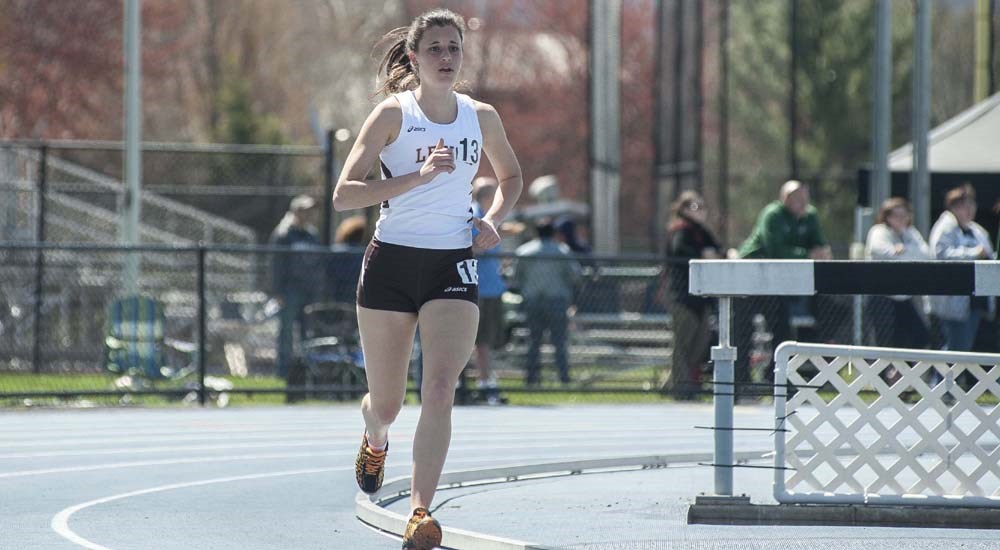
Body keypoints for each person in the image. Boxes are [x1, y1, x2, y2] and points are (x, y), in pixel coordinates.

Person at [333, 10, 522, 549]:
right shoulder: (393, 115)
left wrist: (493, 219)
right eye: (435, 49)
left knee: (440, 386)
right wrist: (418, 176)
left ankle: (419, 512)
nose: (445, 58)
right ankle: (375, 435)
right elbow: (345, 193)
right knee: (388, 403)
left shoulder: (480, 117)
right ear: (414, 58)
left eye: (454, 49)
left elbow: (510, 175)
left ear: (463, 57)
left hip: (451, 263)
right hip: (391, 262)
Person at [734, 180, 831, 396]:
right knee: (743, 331)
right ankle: (740, 381)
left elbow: (819, 244)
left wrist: (821, 251)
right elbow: (774, 249)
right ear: (784, 198)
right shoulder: (773, 214)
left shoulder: (810, 215)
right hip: (751, 277)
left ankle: (775, 378)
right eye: (795, 199)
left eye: (804, 199)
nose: (801, 204)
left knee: (782, 330)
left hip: (777, 283)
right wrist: (807, 254)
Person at [664, 191, 720, 399]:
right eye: (695, 208)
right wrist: (703, 256)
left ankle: (689, 384)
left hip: (702, 299)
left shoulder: (702, 231)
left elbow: (716, 250)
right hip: (683, 298)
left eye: (702, 207)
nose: (701, 212)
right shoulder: (681, 230)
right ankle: (680, 389)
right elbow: (682, 252)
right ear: (684, 210)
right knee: (683, 345)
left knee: (700, 343)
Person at [514, 219, 581, 387]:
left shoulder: (524, 251)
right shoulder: (562, 251)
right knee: (559, 341)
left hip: (532, 301)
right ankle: (564, 378)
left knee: (533, 341)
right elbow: (575, 275)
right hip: (557, 300)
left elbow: (516, 276)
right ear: (552, 233)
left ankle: (531, 378)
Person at [928, 184, 994, 352]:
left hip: (977, 299)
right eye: (963, 205)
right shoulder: (945, 228)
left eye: (972, 204)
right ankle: (940, 378)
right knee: (956, 348)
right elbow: (942, 254)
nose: (969, 210)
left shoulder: (978, 231)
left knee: (969, 348)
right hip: (954, 302)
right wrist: (973, 253)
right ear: (952, 207)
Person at [864, 197, 932, 353]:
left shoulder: (910, 232)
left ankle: (902, 374)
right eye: (896, 215)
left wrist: (904, 248)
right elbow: (884, 252)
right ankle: (882, 376)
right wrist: (903, 251)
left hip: (904, 297)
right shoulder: (878, 231)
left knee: (920, 337)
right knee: (884, 345)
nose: (901, 219)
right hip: (882, 297)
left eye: (904, 215)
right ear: (886, 217)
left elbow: (926, 254)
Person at [269, 194, 321, 380]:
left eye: (311, 211)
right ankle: (284, 373)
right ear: (296, 211)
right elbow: (276, 265)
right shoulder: (283, 234)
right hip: (289, 292)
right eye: (305, 211)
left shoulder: (312, 235)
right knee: (286, 333)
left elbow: (317, 264)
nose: (309, 215)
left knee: (308, 334)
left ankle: (306, 374)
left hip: (309, 293)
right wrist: (277, 292)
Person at [470, 177, 507, 405]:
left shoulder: (489, 216)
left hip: (491, 287)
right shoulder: (475, 215)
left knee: (488, 340)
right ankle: (484, 383)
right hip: (478, 288)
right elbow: (470, 248)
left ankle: (486, 379)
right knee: (480, 340)